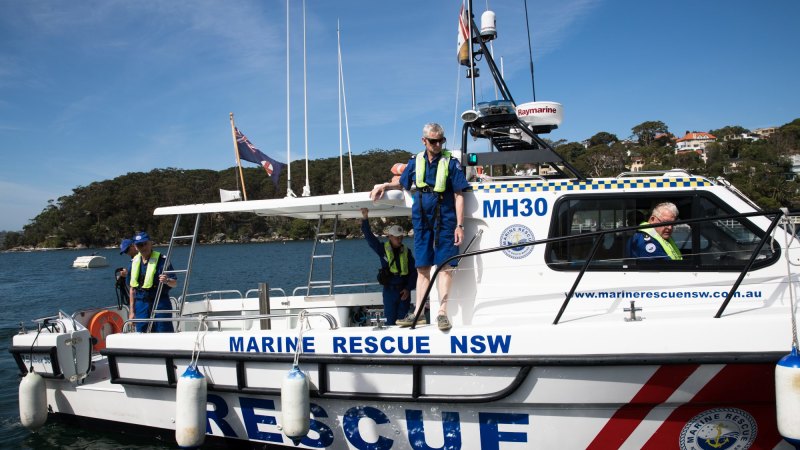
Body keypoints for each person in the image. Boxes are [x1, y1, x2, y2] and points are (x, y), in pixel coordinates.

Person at [370, 122, 469, 331]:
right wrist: (384, 185)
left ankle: (442, 313)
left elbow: (459, 194)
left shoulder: (451, 162)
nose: (438, 144)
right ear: (424, 141)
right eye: (433, 141)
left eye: (441, 140)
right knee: (422, 266)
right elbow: (403, 183)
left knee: (444, 266)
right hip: (422, 220)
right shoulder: (415, 161)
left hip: (446, 219)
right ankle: (418, 313)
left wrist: (459, 225)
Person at [360, 208, 417, 325]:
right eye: (396, 236)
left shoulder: (407, 252)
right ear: (390, 236)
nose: (399, 239)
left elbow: (413, 272)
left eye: (401, 236)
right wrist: (365, 218)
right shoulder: (382, 249)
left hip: (404, 292)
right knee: (390, 322)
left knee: (403, 322)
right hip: (389, 292)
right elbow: (370, 238)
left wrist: (408, 288)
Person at [127, 231, 176, 332]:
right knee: (142, 333)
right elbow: (132, 289)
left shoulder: (163, 261)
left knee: (164, 333)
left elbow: (174, 283)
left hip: (160, 303)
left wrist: (167, 280)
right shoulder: (133, 263)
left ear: (150, 243)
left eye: (145, 244)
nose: (143, 247)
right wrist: (131, 311)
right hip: (141, 305)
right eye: (140, 245)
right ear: (136, 247)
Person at [114, 238, 137, 304]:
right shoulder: (133, 261)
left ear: (133, 245)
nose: (127, 253)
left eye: (127, 250)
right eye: (125, 252)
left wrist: (127, 275)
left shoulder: (143, 258)